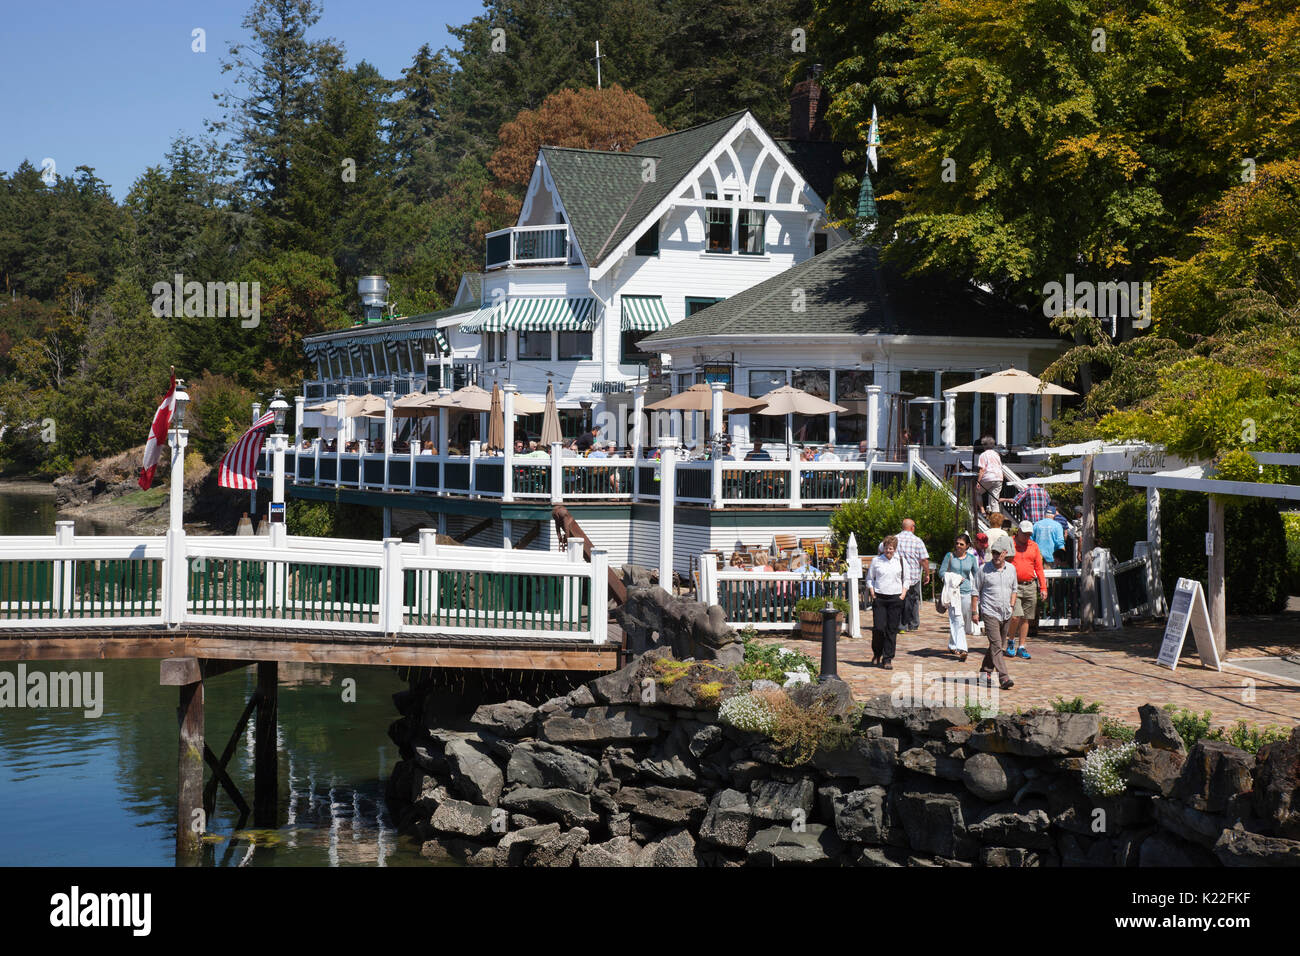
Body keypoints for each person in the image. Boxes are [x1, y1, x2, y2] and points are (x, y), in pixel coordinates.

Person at [972, 538, 1017, 690]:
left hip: (1006, 612)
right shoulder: (983, 569)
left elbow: (1014, 589)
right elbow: (975, 591)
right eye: (994, 553)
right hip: (990, 611)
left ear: (1005, 553)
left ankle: (985, 671)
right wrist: (974, 612)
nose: (996, 556)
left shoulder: (1011, 569)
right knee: (997, 645)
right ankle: (1004, 677)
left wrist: (1011, 605)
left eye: (999, 553)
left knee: (997, 645)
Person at [880, 518, 930, 631]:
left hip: (897, 576)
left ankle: (901, 625)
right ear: (912, 528)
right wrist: (927, 574)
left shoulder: (894, 539)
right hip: (913, 576)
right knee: (913, 599)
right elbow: (924, 560)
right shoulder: (917, 541)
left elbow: (881, 548)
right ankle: (913, 624)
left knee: (899, 600)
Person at [1006, 520, 1046, 659]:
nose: (1027, 537)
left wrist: (1043, 587)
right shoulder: (1010, 543)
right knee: (1015, 616)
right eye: (1025, 534)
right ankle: (1011, 640)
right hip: (1014, 586)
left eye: (1029, 534)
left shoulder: (1033, 546)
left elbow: (1039, 568)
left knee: (1026, 618)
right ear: (1018, 532)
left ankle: (1022, 646)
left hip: (1030, 585)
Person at [939, 533, 979, 662]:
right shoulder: (949, 556)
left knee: (963, 620)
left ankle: (952, 644)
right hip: (953, 592)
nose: (958, 546)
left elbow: (977, 575)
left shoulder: (971, 558)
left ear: (967, 546)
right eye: (957, 543)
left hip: (966, 592)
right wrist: (954, 578)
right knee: (957, 620)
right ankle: (963, 648)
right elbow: (941, 572)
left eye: (961, 544)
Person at [867, 535, 906, 668]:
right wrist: (872, 592)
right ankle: (877, 653)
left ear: (895, 549)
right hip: (880, 598)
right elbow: (869, 578)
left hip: (895, 598)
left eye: (890, 548)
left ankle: (888, 658)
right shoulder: (876, 561)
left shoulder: (900, 561)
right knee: (879, 628)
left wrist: (903, 594)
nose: (888, 551)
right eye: (886, 548)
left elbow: (907, 579)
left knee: (891, 629)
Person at [976, 436, 1003, 515]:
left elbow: (982, 469)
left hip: (988, 477)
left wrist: (978, 481)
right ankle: (996, 519)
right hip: (999, 478)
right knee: (994, 499)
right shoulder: (997, 454)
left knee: (977, 492)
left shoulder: (983, 455)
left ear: (984, 445)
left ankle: (982, 511)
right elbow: (1000, 466)